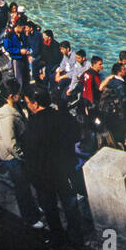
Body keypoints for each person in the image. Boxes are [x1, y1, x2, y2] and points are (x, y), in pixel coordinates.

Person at [22, 83, 81, 241]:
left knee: (50, 208)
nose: (27, 105)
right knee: (70, 204)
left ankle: (57, 236)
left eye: (27, 102)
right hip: (64, 169)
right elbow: (76, 135)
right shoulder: (62, 116)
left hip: (44, 176)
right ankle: (75, 235)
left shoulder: (32, 126)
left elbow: (30, 155)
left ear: (35, 104)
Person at [0, 80, 40, 225]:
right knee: (22, 188)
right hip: (14, 159)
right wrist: (22, 156)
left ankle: (33, 209)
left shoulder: (14, 109)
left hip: (17, 156)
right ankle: (30, 217)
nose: (20, 95)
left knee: (25, 184)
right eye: (18, 94)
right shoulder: (8, 117)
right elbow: (10, 143)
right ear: (11, 96)